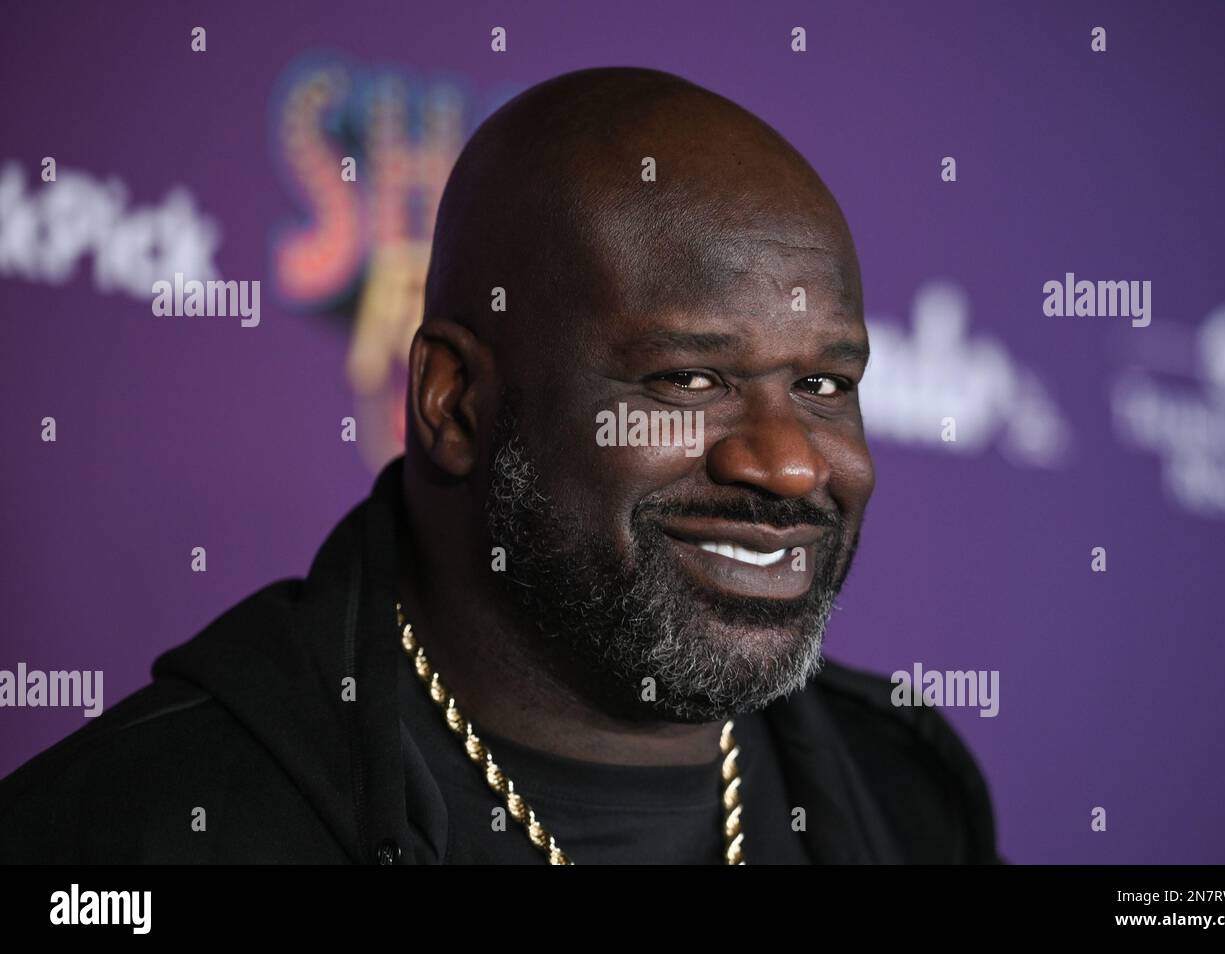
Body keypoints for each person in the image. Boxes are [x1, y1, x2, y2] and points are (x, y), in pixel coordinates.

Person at [0, 66, 999, 864]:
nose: (786, 467)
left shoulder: (905, 793)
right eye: (690, 379)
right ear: (454, 403)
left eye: (825, 386)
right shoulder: (136, 831)